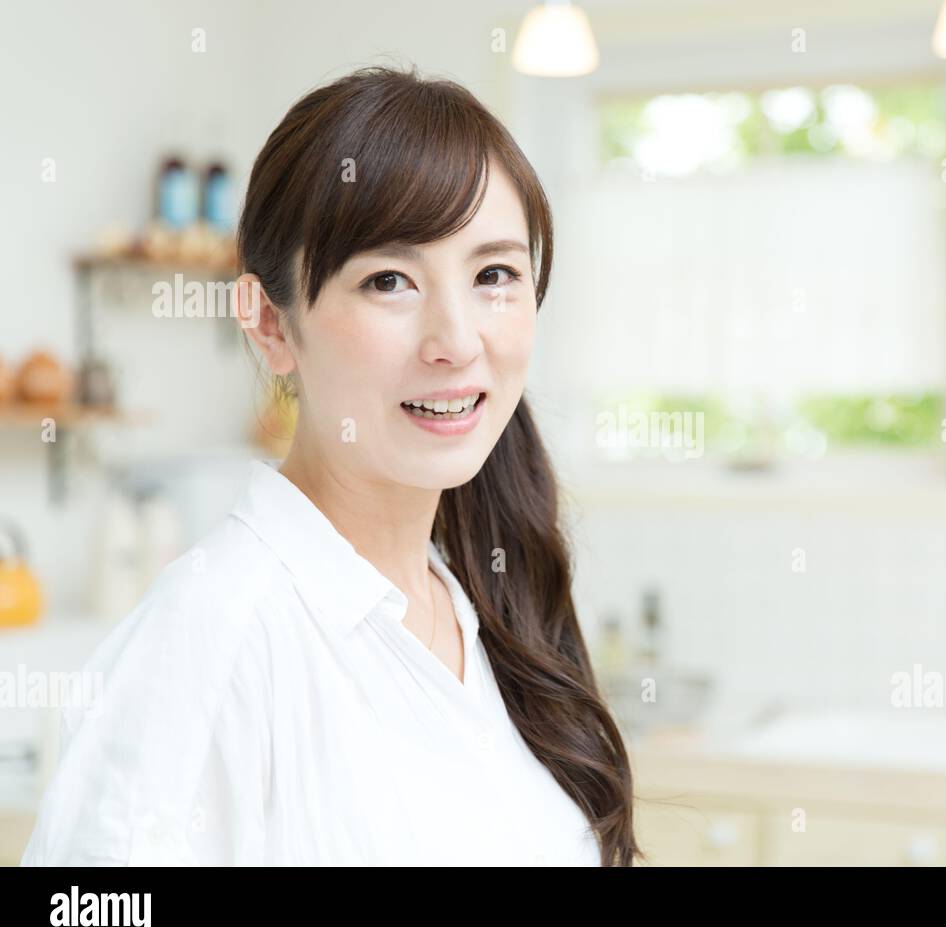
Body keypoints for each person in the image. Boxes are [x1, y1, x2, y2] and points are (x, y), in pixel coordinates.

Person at [21, 65, 640, 866]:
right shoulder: (213, 637)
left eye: (494, 275)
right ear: (272, 326)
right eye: (390, 280)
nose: (455, 339)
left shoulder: (477, 610)